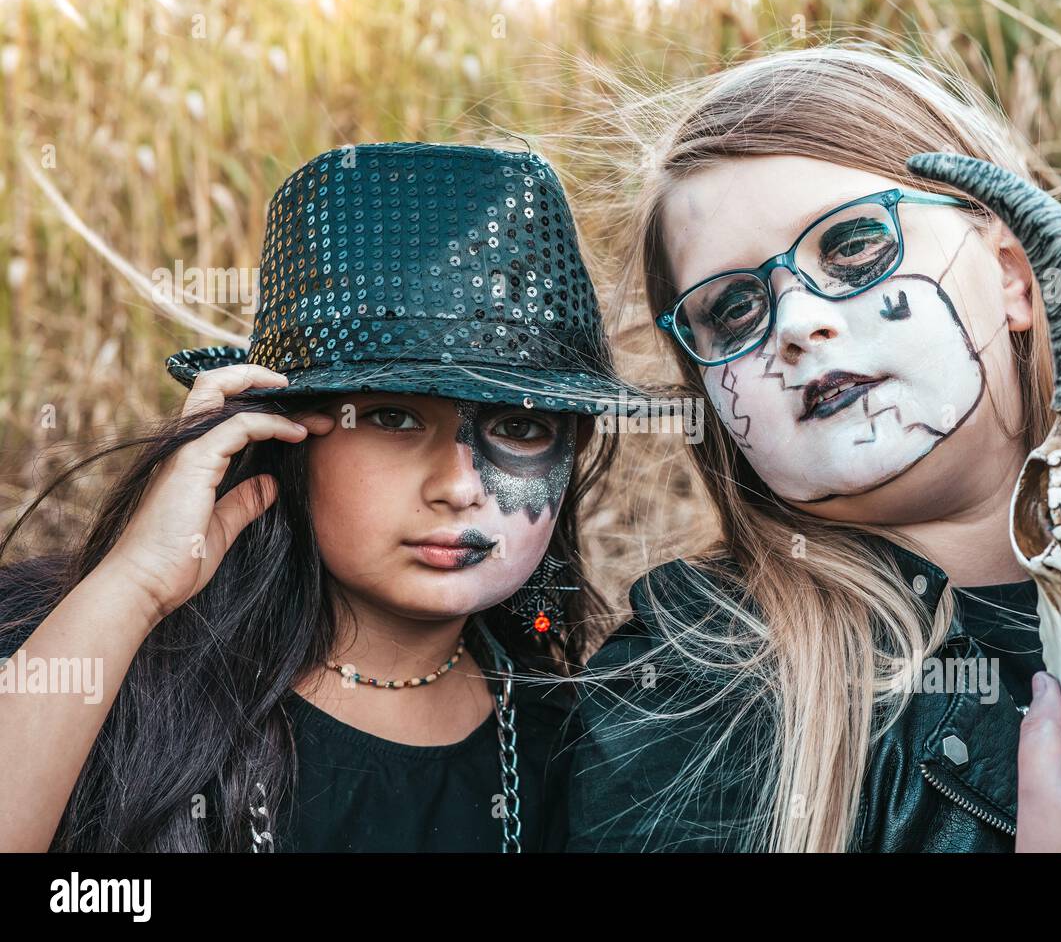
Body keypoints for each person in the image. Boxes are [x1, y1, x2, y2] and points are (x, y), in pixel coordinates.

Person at [565, 44, 1061, 852]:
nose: (796, 324)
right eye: (734, 309)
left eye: (851, 247)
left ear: (1015, 276)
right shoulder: (689, 685)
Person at [0, 141, 627, 852]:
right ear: (285, 430)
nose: (458, 487)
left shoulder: (583, 752)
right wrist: (135, 586)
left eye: (520, 427)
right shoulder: (73, 659)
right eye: (394, 418)